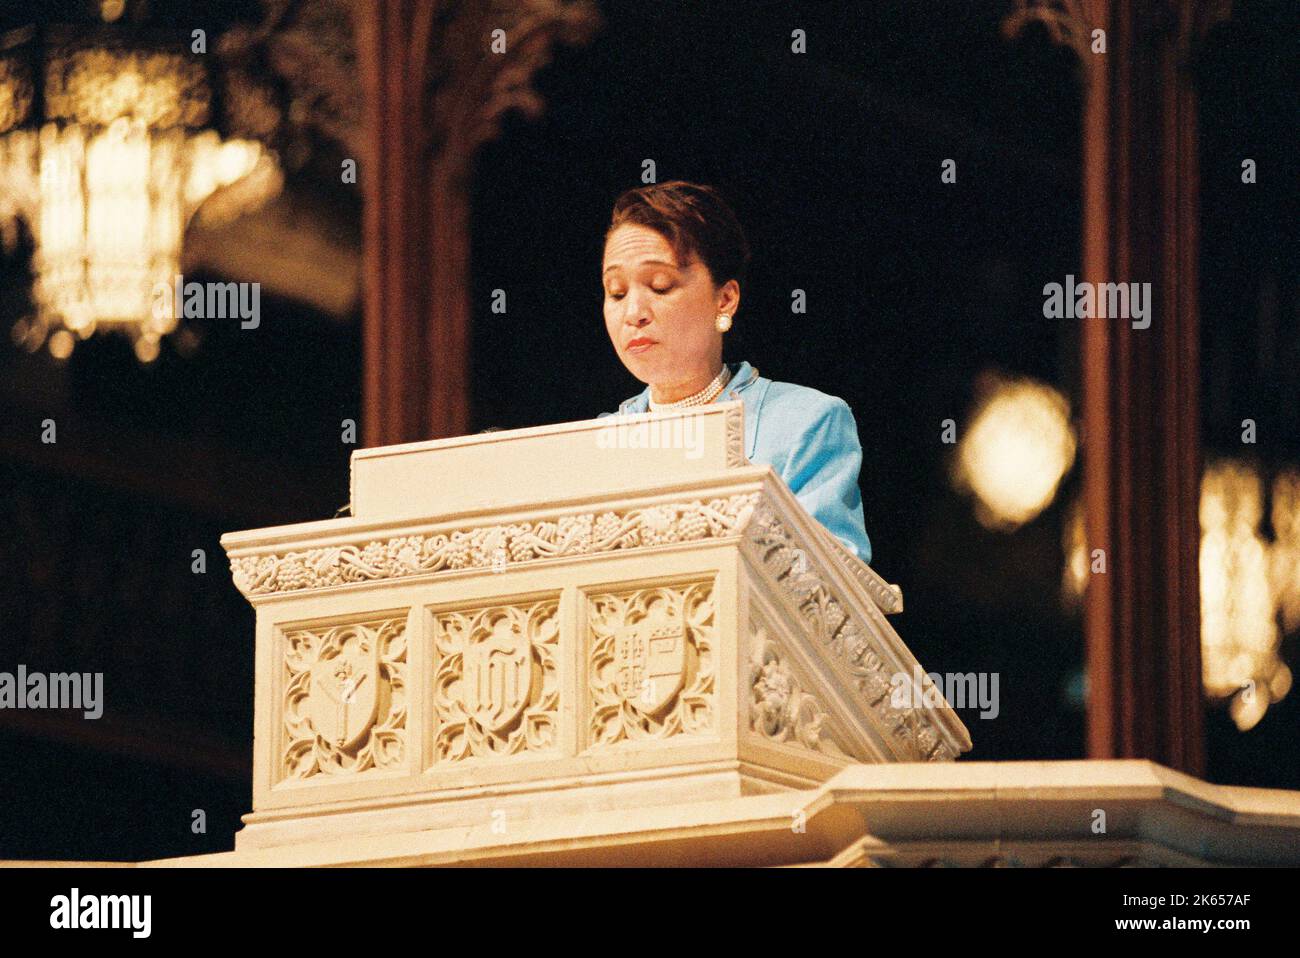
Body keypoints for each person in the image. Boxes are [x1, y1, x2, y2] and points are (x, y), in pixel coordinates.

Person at [597, 180, 873, 563]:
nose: (633, 313)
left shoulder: (805, 422)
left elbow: (837, 587)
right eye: (616, 292)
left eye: (660, 286)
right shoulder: (595, 442)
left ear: (724, 299)